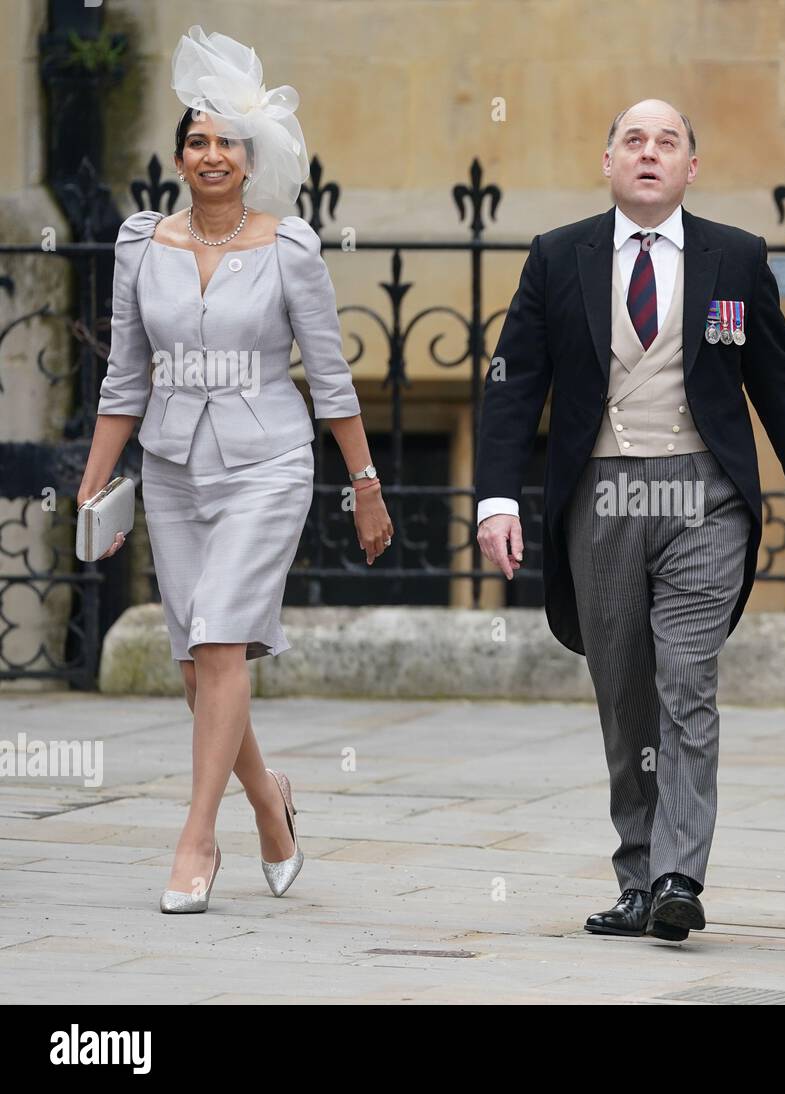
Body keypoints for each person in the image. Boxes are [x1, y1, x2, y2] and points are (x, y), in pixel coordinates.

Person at [475, 98, 785, 942]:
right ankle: (637, 873)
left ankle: (681, 875)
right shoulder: (557, 256)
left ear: (690, 169)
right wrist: (497, 498)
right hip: (600, 494)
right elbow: (512, 384)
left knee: (687, 679)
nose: (649, 154)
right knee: (625, 693)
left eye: (667, 142)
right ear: (607, 163)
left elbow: (778, 389)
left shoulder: (737, 258)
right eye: (633, 142)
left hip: (703, 496)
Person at [78, 26, 393, 913]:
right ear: (180, 155)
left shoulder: (289, 247)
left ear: (252, 161)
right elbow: (124, 375)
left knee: (219, 638)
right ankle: (270, 800)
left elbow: (330, 379)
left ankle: (195, 840)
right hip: (173, 467)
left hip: (269, 464)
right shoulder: (140, 243)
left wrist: (366, 485)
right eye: (197, 140)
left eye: (226, 143)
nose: (211, 155)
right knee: (194, 664)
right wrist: (98, 477)